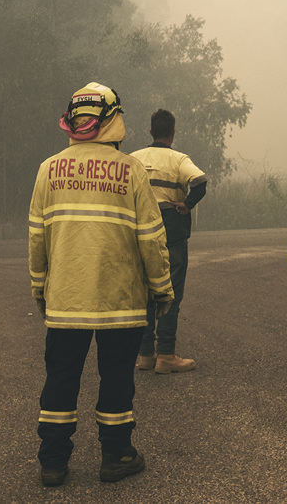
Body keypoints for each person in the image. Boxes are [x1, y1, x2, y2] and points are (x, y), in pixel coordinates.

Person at [28, 82, 175, 487]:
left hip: (66, 300)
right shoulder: (131, 171)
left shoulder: (48, 169)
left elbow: (37, 237)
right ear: (114, 120)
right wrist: (161, 288)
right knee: (116, 379)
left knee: (60, 378)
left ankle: (53, 462)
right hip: (120, 301)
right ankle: (116, 455)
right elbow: (151, 238)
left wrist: (41, 289)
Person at [130, 109, 207, 374]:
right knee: (170, 292)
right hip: (170, 230)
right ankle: (166, 355)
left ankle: (145, 355)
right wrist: (187, 204)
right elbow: (199, 180)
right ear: (173, 132)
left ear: (150, 131)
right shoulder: (178, 159)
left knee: (144, 290)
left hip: (139, 230)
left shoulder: (133, 159)